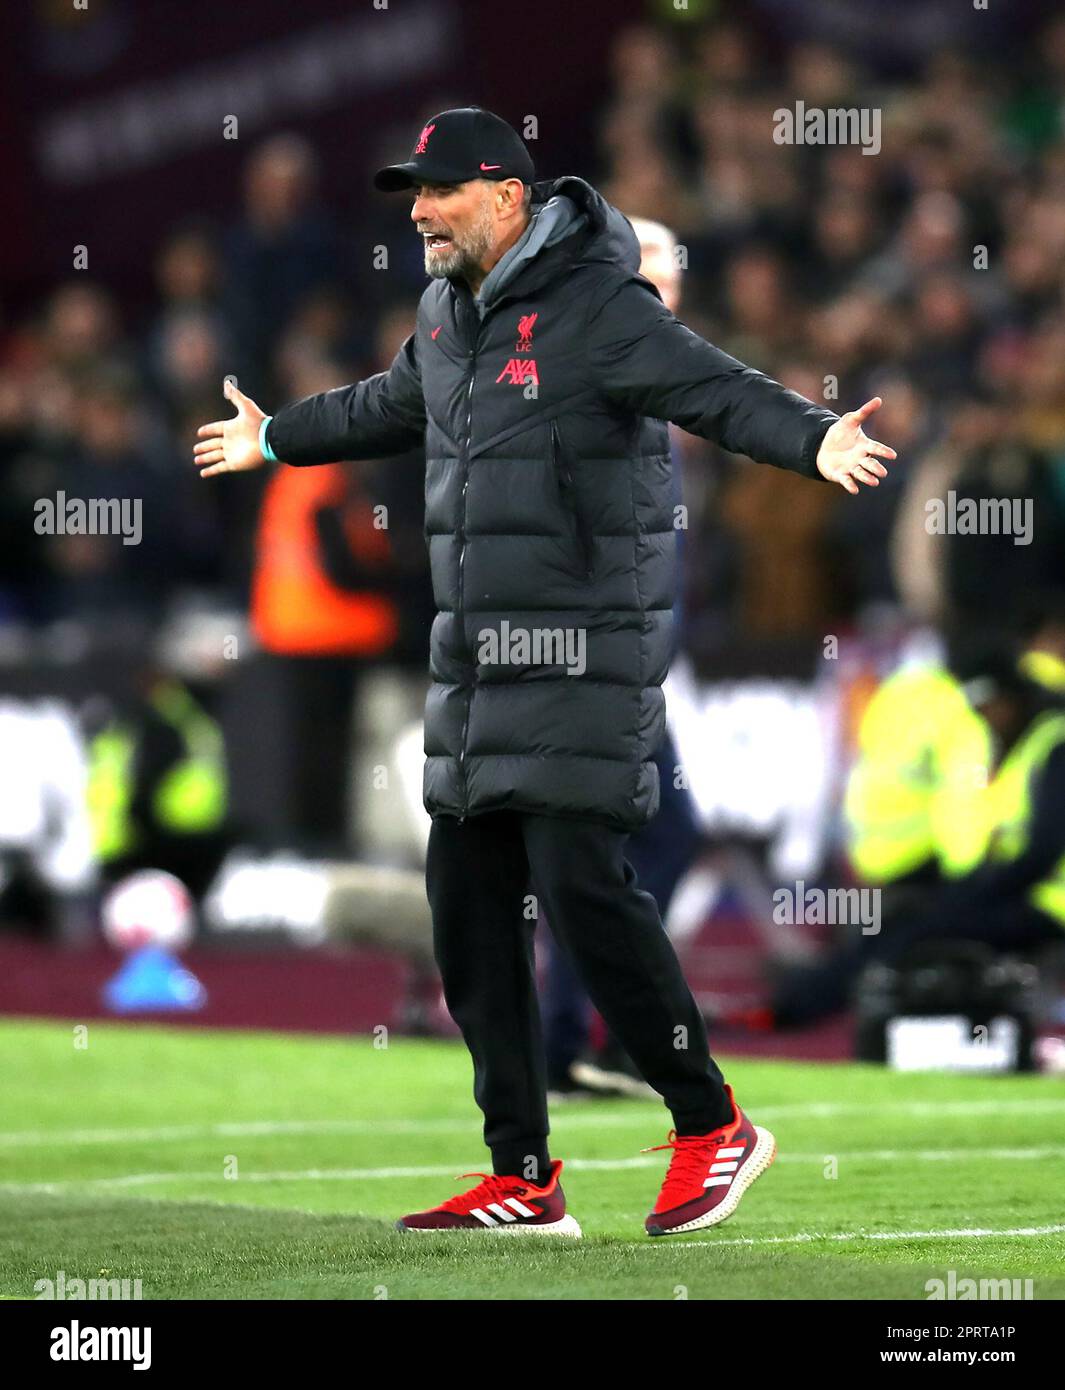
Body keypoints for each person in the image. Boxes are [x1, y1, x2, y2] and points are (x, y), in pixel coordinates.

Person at [194, 107, 894, 1238]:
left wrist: (813, 438)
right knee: (466, 912)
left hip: (583, 651)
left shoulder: (602, 306)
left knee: (580, 885)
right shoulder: (446, 312)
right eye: (410, 193)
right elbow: (387, 403)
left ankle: (713, 1124)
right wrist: (278, 438)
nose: (417, 211)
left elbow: (714, 387)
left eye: (437, 191)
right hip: (476, 660)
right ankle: (523, 1172)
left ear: (507, 196)